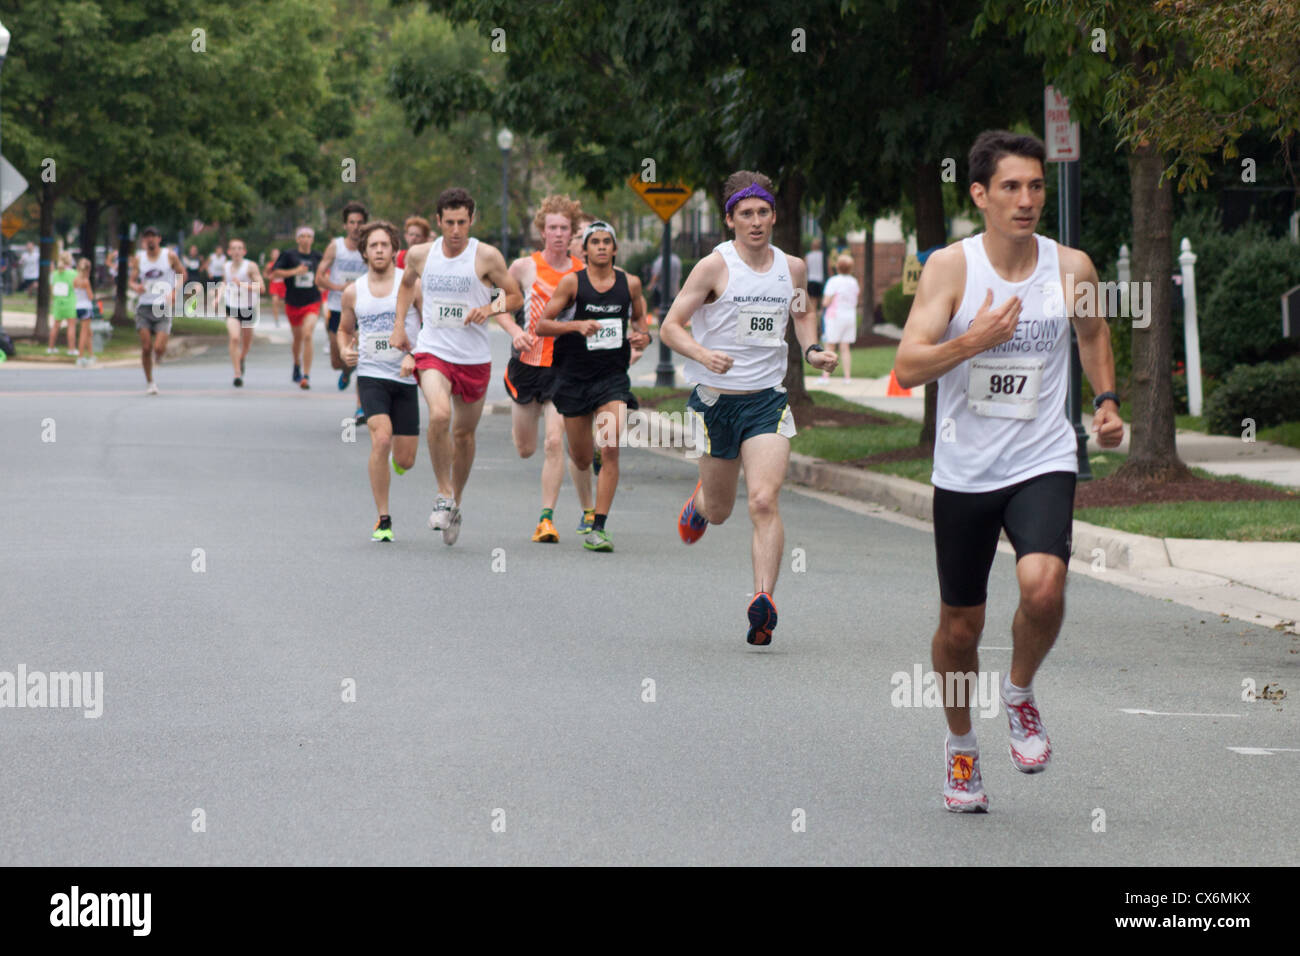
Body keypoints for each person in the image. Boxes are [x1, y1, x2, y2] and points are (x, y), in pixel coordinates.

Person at [893, 130, 1125, 813]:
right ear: (979, 195)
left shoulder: (1071, 267)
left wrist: (1107, 402)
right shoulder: (951, 269)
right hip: (965, 468)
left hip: (1042, 455)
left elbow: (1092, 334)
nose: (1027, 201)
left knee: (1044, 586)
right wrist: (974, 340)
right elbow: (907, 365)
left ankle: (1019, 692)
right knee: (961, 627)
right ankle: (962, 748)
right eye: (1011, 188)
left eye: (1035, 187)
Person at [660, 171, 838, 645]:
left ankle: (763, 601)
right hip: (716, 402)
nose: (756, 222)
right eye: (746, 214)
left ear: (774, 216)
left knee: (762, 499)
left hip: (766, 400)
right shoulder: (713, 268)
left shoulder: (792, 268)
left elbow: (801, 312)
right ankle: (699, 505)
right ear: (730, 219)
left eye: (763, 213)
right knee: (720, 511)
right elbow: (671, 327)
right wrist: (702, 355)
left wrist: (812, 349)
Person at [390, 187, 525, 546]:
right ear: (438, 221)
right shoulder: (421, 254)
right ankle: (442, 493)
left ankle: (456, 504)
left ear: (472, 220)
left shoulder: (487, 257)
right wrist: (400, 323)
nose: (455, 230)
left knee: (464, 435)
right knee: (438, 416)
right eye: (448, 222)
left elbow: (514, 296)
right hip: (433, 351)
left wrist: (490, 309)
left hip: (473, 358)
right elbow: (405, 286)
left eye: (461, 222)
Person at [536, 220, 650, 552]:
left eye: (606, 242)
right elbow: (543, 324)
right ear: (584, 250)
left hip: (612, 378)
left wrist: (644, 335)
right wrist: (576, 325)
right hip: (573, 379)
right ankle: (592, 455)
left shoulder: (630, 284)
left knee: (611, 447)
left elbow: (642, 320)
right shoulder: (572, 283)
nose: (601, 247)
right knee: (583, 458)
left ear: (615, 249)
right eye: (594, 242)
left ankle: (598, 527)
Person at [504, 195, 597, 542]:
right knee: (525, 448)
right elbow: (500, 304)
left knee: (554, 442)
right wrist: (514, 331)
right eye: (552, 228)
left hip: (564, 369)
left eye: (565, 229)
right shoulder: (522, 267)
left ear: (573, 234)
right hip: (527, 366)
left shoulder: (581, 272)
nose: (558, 234)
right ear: (542, 231)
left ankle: (546, 520)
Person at [337, 220, 424, 542]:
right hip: (371, 375)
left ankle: (395, 465)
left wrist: (413, 355)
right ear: (364, 251)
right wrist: (345, 350)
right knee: (381, 439)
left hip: (406, 377)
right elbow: (344, 330)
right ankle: (383, 519)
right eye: (372, 245)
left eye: (384, 245)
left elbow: (429, 327)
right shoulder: (353, 291)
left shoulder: (411, 284)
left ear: (394, 250)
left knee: (406, 458)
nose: (378, 250)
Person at [317, 201, 369, 395]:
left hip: (361, 309)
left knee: (362, 354)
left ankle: (361, 404)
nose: (356, 227)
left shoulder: (370, 247)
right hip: (337, 308)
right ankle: (347, 372)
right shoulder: (336, 246)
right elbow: (319, 278)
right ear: (345, 225)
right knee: (337, 362)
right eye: (352, 222)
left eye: (360, 222)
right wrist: (340, 287)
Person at [128, 226, 184, 394]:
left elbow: (182, 274)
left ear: (159, 239)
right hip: (144, 306)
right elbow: (131, 280)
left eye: (153, 236)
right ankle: (150, 381)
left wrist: (175, 291)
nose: (150, 240)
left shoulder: (169, 256)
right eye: (147, 237)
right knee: (146, 347)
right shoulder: (139, 259)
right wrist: (135, 286)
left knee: (158, 347)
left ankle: (158, 356)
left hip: (163, 307)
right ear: (144, 240)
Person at [269, 227, 323, 388]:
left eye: (309, 236)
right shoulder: (289, 255)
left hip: (312, 301)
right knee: (298, 338)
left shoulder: (317, 256)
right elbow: (275, 273)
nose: (305, 239)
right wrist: (295, 271)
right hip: (293, 302)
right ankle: (296, 364)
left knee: (307, 335)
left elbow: (327, 270)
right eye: (302, 236)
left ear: (312, 239)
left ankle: (306, 375)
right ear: (297, 239)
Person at [222, 238, 263, 388]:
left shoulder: (250, 267)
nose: (237, 251)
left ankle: (241, 358)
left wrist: (243, 285)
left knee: (246, 343)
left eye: (240, 248)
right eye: (234, 248)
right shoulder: (225, 266)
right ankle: (237, 373)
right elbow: (224, 283)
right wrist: (217, 296)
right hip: (231, 307)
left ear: (244, 251)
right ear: (229, 252)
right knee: (234, 338)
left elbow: (261, 287)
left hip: (248, 308)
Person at [819, 254, 859, 382]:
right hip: (850, 316)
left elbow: (826, 302)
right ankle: (847, 377)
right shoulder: (854, 282)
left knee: (830, 346)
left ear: (837, 267)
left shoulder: (833, 281)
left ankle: (825, 377)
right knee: (845, 347)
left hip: (834, 316)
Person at [47, 251, 79, 356]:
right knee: (71, 326)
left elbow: (51, 289)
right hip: (70, 302)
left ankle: (50, 347)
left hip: (58, 303)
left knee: (55, 326)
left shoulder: (54, 274)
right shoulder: (74, 274)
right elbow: (76, 288)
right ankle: (71, 349)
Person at [73, 258, 96, 367]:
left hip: (78, 306)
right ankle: (80, 357)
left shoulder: (75, 280)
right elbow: (90, 296)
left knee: (89, 333)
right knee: (84, 333)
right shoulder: (86, 281)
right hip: (86, 307)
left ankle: (91, 355)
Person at [263, 247, 285, 327]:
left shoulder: (283, 264)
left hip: (283, 285)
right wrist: (269, 276)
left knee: (284, 303)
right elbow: (265, 274)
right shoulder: (269, 265)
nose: (276, 256)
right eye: (274, 254)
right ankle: (276, 320)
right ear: (271, 256)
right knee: (275, 301)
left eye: (277, 254)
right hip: (274, 285)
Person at [205, 243, 227, 315]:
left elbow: (225, 267)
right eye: (218, 250)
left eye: (221, 250)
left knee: (218, 292)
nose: (219, 251)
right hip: (212, 276)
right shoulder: (212, 257)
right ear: (216, 250)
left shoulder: (224, 258)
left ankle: (216, 307)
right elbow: (206, 265)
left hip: (220, 277)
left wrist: (224, 276)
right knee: (211, 292)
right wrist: (209, 273)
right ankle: (208, 305)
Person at [805, 237, 825, 316]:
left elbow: (805, 268)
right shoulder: (823, 256)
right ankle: (822, 322)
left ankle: (814, 322)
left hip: (812, 280)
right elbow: (828, 268)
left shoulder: (808, 256)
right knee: (823, 303)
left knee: (813, 304)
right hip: (821, 280)